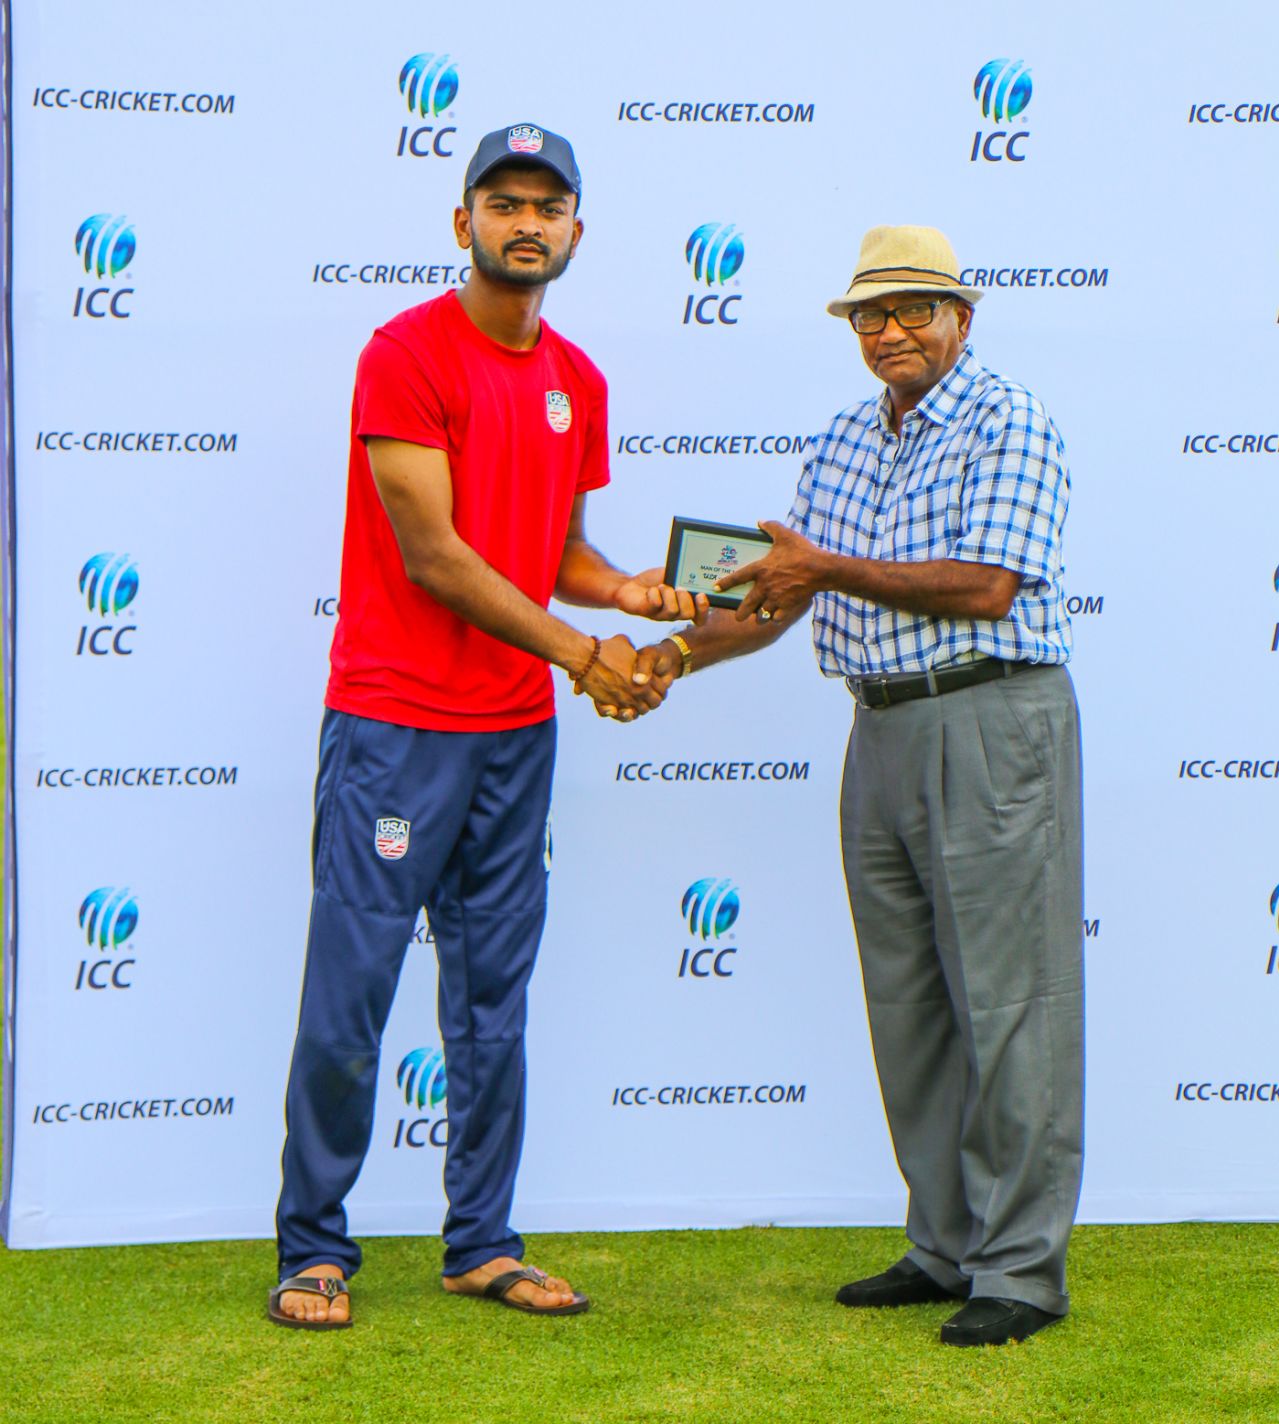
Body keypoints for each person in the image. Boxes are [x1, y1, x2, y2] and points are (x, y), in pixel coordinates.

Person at [268, 122, 706, 1329]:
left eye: (547, 205)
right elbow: (439, 556)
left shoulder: (578, 380)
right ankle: (314, 1244)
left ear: (575, 229)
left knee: (492, 998)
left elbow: (550, 548)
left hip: (513, 733)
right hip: (397, 723)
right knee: (352, 995)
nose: (526, 221)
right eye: (502, 201)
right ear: (461, 221)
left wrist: (627, 596)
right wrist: (587, 655)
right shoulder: (404, 353)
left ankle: (481, 1239)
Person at [636, 226, 1083, 1347]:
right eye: (868, 316)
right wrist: (667, 656)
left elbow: (984, 585)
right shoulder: (843, 436)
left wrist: (818, 564)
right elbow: (780, 598)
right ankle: (944, 1243)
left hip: (990, 714)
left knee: (1009, 1002)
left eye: (912, 310)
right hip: (875, 726)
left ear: (959, 317)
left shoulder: (1006, 419)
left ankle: (1018, 1268)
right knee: (909, 1002)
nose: (889, 331)